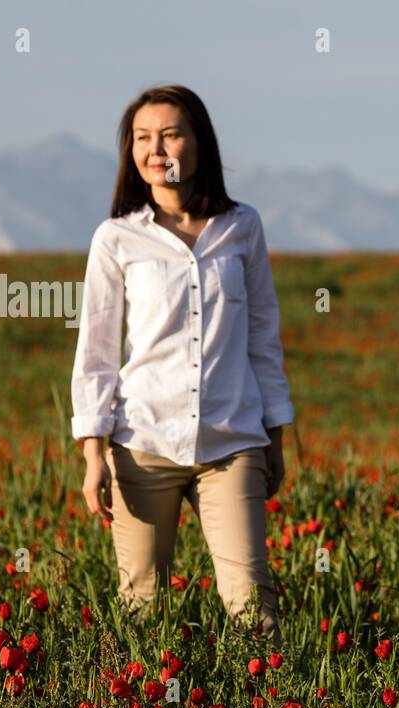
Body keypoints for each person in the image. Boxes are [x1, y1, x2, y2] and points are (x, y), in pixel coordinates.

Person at [70, 84, 293, 648]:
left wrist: (275, 434)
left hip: (231, 441)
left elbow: (263, 337)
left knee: (251, 604)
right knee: (141, 603)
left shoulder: (242, 227)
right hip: (142, 443)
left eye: (170, 134)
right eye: (143, 138)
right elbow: (96, 351)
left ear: (199, 143)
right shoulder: (116, 238)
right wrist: (94, 454)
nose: (156, 148)